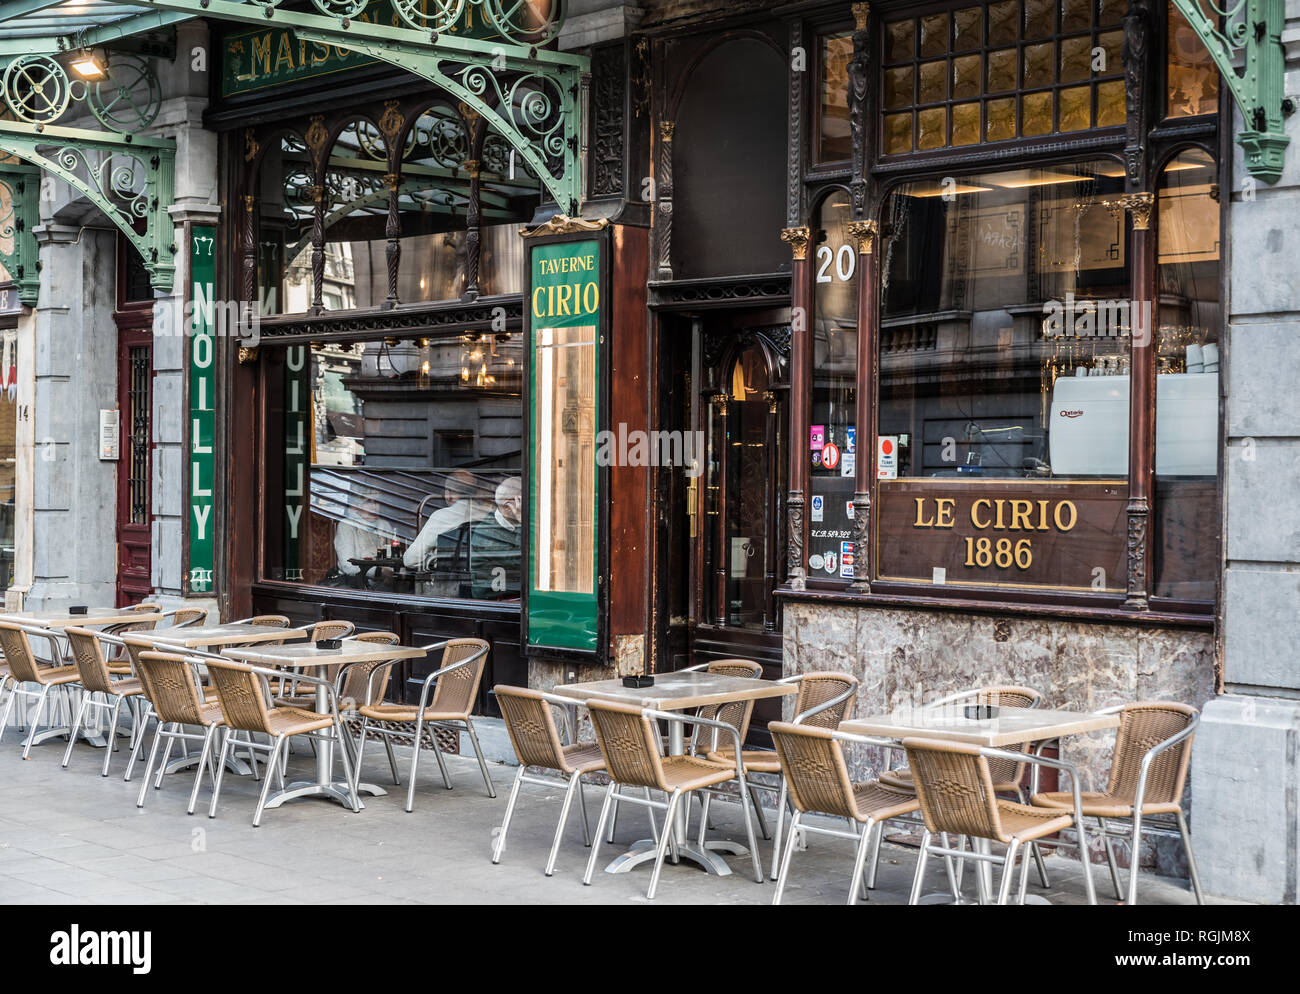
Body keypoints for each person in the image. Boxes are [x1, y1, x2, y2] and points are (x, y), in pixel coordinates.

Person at [404, 469, 490, 572]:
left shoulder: (441, 517)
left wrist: (434, 559)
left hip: (452, 581)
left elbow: (411, 560)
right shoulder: (489, 515)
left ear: (449, 494)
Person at [469, 476, 522, 600]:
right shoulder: (487, 534)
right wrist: (523, 521)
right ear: (509, 508)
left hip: (518, 595)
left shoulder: (512, 523)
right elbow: (521, 561)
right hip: (497, 602)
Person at [332, 493, 397, 587]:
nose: (374, 507)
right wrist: (379, 572)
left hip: (385, 582)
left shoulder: (385, 525)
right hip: (354, 583)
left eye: (376, 502)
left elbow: (392, 556)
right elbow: (347, 566)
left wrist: (391, 573)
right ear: (355, 506)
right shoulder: (346, 525)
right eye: (368, 502)